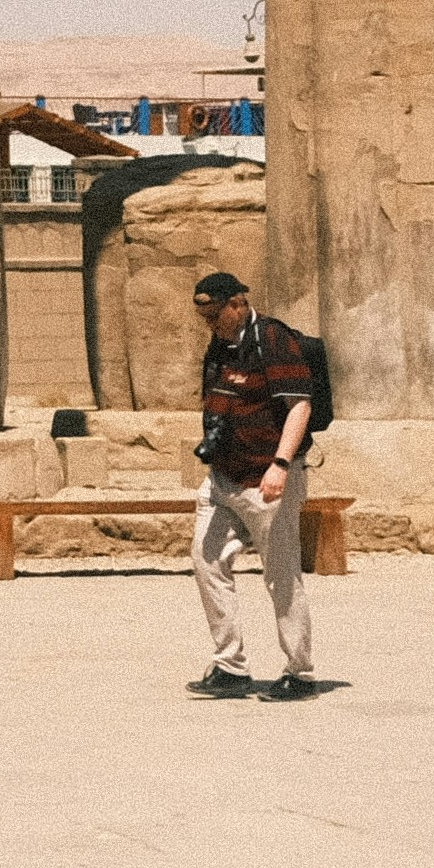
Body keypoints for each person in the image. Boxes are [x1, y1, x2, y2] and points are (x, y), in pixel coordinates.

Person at [185, 269, 334, 702]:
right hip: (225, 475)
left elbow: (299, 405)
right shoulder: (221, 344)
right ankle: (230, 666)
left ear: (237, 303)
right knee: (206, 558)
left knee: (281, 575)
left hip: (268, 478)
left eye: (216, 315)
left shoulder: (273, 339)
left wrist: (282, 464)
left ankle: (300, 672)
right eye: (205, 318)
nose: (210, 325)